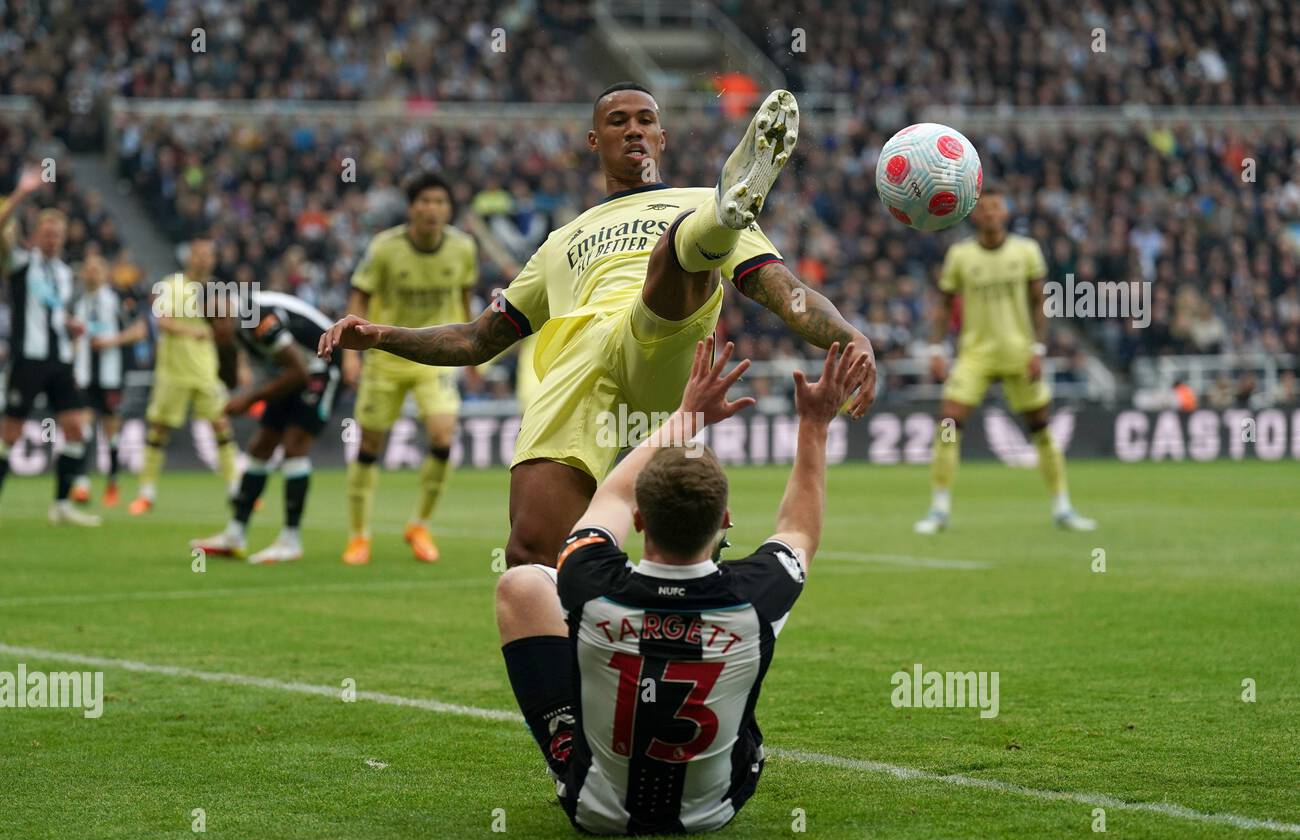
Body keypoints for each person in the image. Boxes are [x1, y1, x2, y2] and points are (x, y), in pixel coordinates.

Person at [319, 84, 876, 568]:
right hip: (580, 362)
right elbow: (475, 340)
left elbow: (785, 293)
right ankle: (573, 690)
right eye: (617, 121)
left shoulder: (694, 200)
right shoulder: (560, 241)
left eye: (646, 121)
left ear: (662, 140)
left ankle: (713, 230)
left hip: (663, 345)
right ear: (594, 141)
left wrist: (849, 335)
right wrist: (379, 334)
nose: (633, 130)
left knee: (680, 250)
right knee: (530, 554)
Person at [495, 335, 865, 835]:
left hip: (594, 810)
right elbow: (798, 530)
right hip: (713, 811)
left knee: (521, 584)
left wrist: (688, 415)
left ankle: (565, 741)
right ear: (725, 520)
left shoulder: (589, 575)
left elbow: (614, 495)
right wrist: (815, 425)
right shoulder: (754, 594)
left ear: (640, 521)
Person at [915, 186, 1095, 534]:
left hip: (1019, 352)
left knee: (1041, 428)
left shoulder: (1026, 251)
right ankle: (938, 508)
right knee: (949, 425)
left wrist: (1038, 349)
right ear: (974, 214)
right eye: (984, 208)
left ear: (1006, 213)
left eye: (997, 207)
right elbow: (943, 306)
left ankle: (1062, 507)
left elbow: (1039, 302)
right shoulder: (960, 255)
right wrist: (936, 349)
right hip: (974, 354)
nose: (990, 213)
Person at [341, 171, 478, 566]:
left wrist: (473, 353)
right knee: (369, 447)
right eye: (425, 201)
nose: (432, 209)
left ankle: (420, 524)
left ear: (449, 209)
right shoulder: (385, 248)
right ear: (411, 207)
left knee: (442, 435)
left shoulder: (463, 247)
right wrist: (351, 354)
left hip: (436, 354)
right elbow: (359, 296)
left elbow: (467, 299)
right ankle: (358, 536)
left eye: (440, 202)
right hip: (386, 357)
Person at [189, 291, 341, 564]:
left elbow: (299, 370)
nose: (218, 323)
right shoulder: (231, 325)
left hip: (321, 364)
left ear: (229, 303)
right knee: (260, 446)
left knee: (294, 446)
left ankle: (291, 540)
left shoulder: (254, 315)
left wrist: (249, 400)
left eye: (220, 315)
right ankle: (235, 534)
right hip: (289, 373)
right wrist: (222, 344)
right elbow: (230, 379)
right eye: (211, 320)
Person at [0, 167, 99, 526]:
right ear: (36, 234)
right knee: (9, 435)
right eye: (47, 232)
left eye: (58, 233)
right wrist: (21, 193)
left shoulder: (63, 272)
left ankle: (61, 505)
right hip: (27, 359)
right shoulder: (20, 262)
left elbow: (56, 311)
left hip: (60, 360)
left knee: (75, 428)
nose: (54, 238)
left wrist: (70, 326)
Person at [129, 238, 240, 514]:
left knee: (221, 426)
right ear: (189, 257)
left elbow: (228, 331)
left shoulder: (219, 289)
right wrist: (196, 332)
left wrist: (240, 363)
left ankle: (237, 489)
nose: (203, 259)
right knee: (158, 430)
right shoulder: (171, 285)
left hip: (206, 368)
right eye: (199, 254)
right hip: (173, 370)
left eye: (208, 255)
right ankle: (146, 493)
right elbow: (161, 320)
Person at [70, 253, 147, 507]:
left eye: (96, 269)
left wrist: (110, 342)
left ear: (104, 274)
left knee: (110, 431)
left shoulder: (116, 300)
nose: (91, 274)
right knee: (82, 427)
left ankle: (112, 481)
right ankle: (81, 482)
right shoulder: (76, 301)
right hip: (83, 375)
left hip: (111, 377)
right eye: (87, 270)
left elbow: (139, 331)